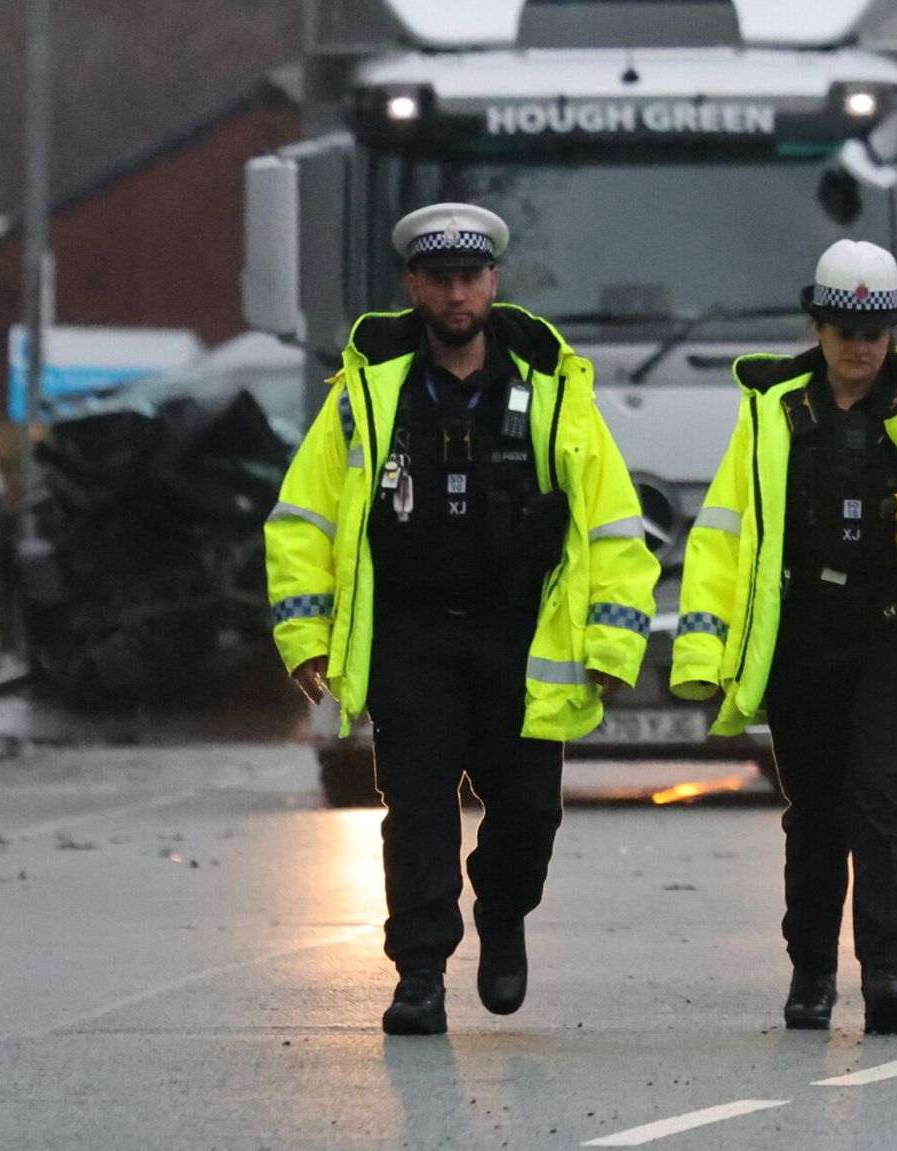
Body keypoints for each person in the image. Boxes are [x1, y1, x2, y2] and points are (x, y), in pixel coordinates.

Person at [265, 203, 659, 1035]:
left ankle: (504, 913)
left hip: (519, 635)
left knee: (529, 813)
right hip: (412, 635)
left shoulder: (553, 397)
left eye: (469, 278)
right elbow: (304, 523)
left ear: (493, 283)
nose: (455, 295)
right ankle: (419, 975)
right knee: (415, 810)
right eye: (438, 280)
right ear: (413, 285)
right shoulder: (366, 399)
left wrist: (613, 642)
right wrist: (305, 640)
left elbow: (613, 526)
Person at [671, 240, 897, 1033]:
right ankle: (812, 974)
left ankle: (888, 972)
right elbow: (725, 535)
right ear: (817, 326)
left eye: (875, 328)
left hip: (896, 641)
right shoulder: (773, 411)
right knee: (817, 812)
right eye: (842, 327)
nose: (859, 345)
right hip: (806, 638)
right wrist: (701, 653)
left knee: (882, 800)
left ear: (895, 329)